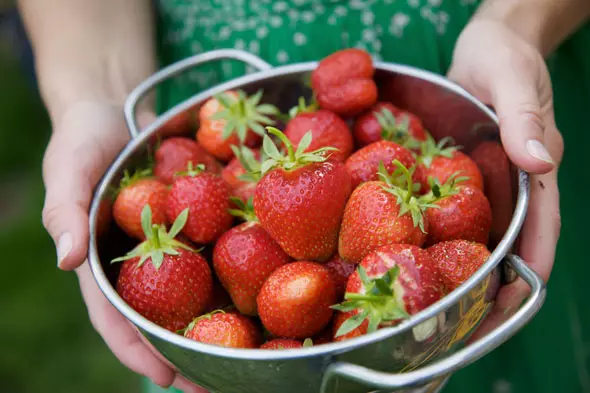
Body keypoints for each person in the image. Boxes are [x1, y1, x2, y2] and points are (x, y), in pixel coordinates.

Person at [17, 0, 589, 392]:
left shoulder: (372, 196)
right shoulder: (246, 181)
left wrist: (517, 25)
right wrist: (93, 96)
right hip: (243, 120)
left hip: (481, 59)